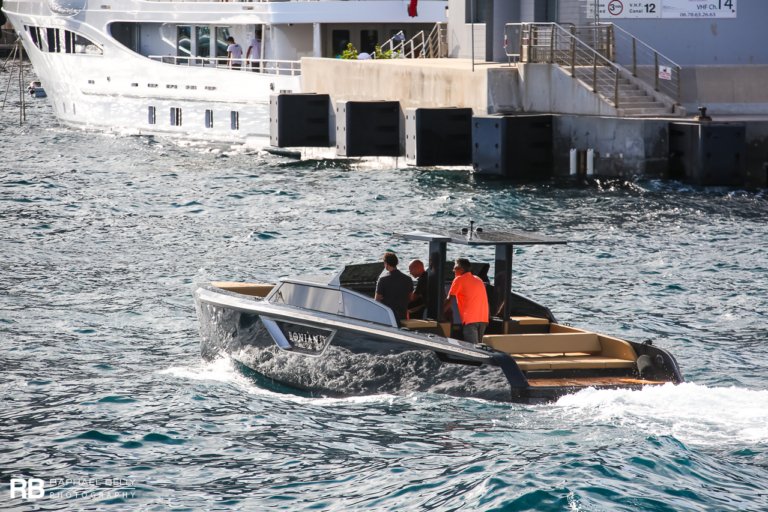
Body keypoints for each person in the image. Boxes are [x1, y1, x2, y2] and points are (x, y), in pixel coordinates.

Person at [444, 258, 489, 344]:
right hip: (483, 318)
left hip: (470, 320)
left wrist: (438, 315)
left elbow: (450, 300)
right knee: (479, 346)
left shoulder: (459, 279)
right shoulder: (478, 279)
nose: (453, 270)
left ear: (461, 269)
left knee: (474, 348)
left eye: (455, 267)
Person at [375, 252, 413, 325]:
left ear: (386, 263)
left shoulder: (383, 279)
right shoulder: (408, 279)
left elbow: (377, 300)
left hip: (387, 318)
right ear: (396, 263)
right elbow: (410, 298)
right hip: (402, 316)